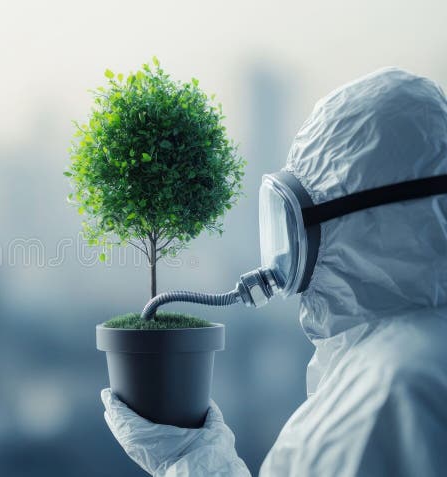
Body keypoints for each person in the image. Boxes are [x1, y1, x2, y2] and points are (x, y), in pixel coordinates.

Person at [101, 67, 447, 476]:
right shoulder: (416, 356)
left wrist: (186, 461)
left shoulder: (383, 400)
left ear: (374, 221)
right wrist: (195, 458)